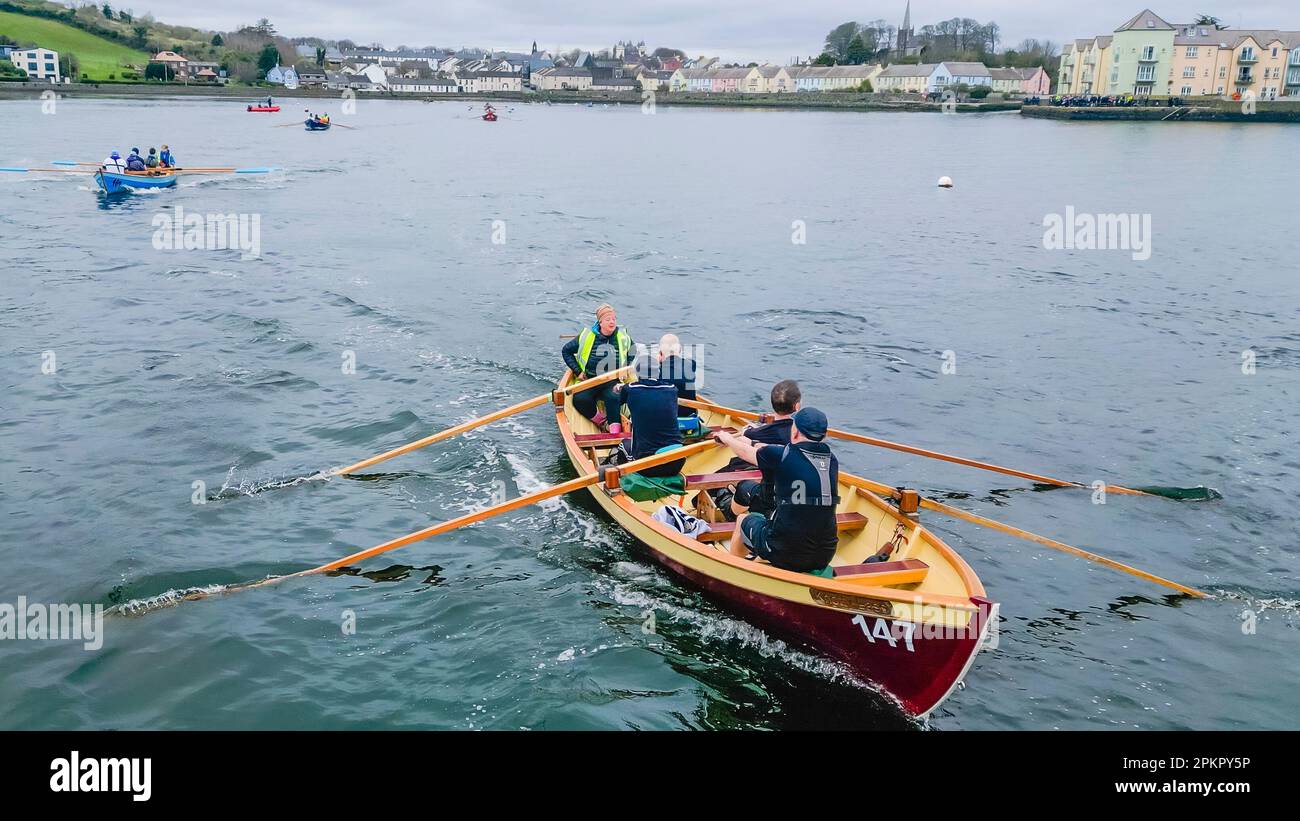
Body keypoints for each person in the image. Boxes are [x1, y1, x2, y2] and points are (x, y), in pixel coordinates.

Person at [715, 407, 840, 573]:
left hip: (785, 552)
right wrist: (754, 442)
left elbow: (745, 453)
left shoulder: (781, 455)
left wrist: (727, 438)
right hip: (825, 555)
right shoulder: (832, 460)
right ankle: (762, 559)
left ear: (794, 431)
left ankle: (732, 571)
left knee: (743, 521)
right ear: (823, 436)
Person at [706, 379, 801, 520]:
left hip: (760, 475)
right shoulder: (798, 433)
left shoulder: (755, 434)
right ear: (797, 407)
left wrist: (732, 438)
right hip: (785, 487)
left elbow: (744, 450)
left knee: (728, 473)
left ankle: (720, 501)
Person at [561, 303, 633, 434]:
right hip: (590, 380)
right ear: (600, 322)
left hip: (612, 380)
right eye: (608, 319)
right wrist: (578, 371)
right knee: (580, 399)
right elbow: (566, 351)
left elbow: (632, 350)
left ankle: (614, 432)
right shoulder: (586, 335)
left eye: (614, 319)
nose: (612, 322)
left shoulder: (622, 336)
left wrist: (626, 368)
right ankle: (601, 422)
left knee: (614, 397)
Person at [609, 377, 684, 478]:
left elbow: (618, 398)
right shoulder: (672, 388)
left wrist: (618, 388)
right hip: (678, 462)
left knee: (624, 444)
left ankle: (623, 478)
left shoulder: (631, 388)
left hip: (648, 465)